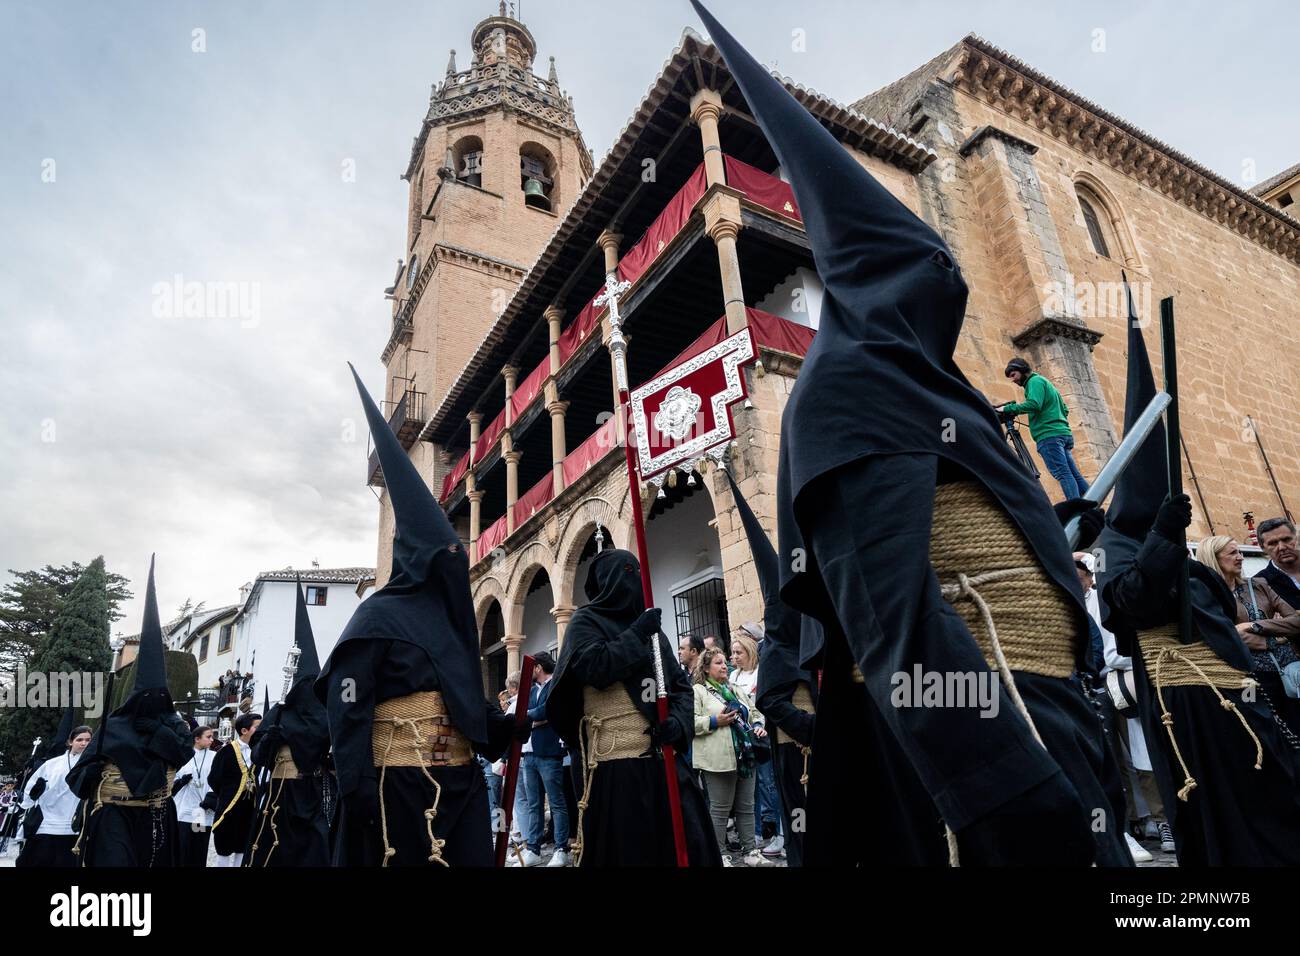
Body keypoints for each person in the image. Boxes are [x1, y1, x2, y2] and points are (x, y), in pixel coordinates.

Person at [692, 0, 1126, 866]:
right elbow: (888, 605)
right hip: (995, 724)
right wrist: (998, 769)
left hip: (1053, 701)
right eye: (929, 267)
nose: (950, 281)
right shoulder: (847, 389)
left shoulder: (936, 385)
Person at [1094, 287, 1300, 866]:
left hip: (1230, 694)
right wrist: (1160, 537)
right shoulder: (1117, 544)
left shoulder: (1179, 553)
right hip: (1182, 703)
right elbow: (1128, 603)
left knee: (1270, 798)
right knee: (1219, 819)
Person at [316, 367, 523, 867]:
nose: (453, 562)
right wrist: (358, 783)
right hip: (395, 789)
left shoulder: (454, 627)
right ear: (416, 559)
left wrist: (505, 727)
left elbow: (464, 700)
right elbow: (348, 706)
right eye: (442, 555)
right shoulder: (375, 619)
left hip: (462, 787)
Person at [547, 549, 720, 866]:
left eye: (638, 570)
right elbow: (596, 667)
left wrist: (679, 724)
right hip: (614, 769)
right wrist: (638, 633)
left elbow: (680, 688)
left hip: (663, 763)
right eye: (627, 570)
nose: (635, 578)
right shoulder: (585, 622)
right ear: (607, 580)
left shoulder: (655, 632)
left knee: (688, 844)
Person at [68, 558, 193, 867]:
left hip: (156, 813)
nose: (153, 701)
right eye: (146, 696)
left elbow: (182, 754)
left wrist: (157, 731)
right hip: (113, 813)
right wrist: (92, 773)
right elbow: (78, 775)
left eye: (159, 696)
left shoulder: (173, 725)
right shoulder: (114, 725)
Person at [247, 583, 334, 867]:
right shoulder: (278, 713)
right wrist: (270, 738)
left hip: (315, 792)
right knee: (274, 849)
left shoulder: (326, 713)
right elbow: (258, 757)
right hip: (279, 793)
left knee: (314, 850)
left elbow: (333, 748)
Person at [1196, 535, 1300, 737]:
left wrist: (1253, 625)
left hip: (1290, 670)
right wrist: (1278, 634)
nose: (1240, 557)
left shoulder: (1259, 585)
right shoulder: (1206, 596)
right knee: (1260, 725)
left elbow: (1296, 621)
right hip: (1245, 678)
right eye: (1233, 553)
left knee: (1297, 722)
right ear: (1213, 558)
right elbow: (1227, 639)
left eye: (1240, 552)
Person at [693, 647, 768, 866]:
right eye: (718, 663)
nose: (725, 666)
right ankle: (720, 855)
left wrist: (757, 725)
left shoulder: (735, 689)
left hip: (745, 756)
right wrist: (715, 721)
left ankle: (751, 852)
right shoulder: (698, 691)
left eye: (725, 662)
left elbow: (755, 712)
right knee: (719, 809)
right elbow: (690, 722)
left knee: (746, 807)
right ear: (706, 668)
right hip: (717, 760)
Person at [1001, 359, 1090, 500]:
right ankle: (1092, 505)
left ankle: (1075, 512)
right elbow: (1065, 409)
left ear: (1022, 370)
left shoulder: (1034, 382)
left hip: (1049, 437)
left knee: (1063, 474)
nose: (1013, 380)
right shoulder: (1044, 382)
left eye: (1013, 375)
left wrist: (1007, 409)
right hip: (1062, 434)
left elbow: (1034, 404)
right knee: (1073, 474)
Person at [729, 630, 782, 857]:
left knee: (769, 784)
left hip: (764, 734)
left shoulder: (761, 673)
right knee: (752, 789)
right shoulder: (733, 678)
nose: (734, 657)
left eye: (738, 652)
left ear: (750, 652)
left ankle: (781, 833)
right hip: (745, 738)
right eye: (732, 653)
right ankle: (758, 832)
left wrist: (763, 724)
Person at [16, 710, 90, 868]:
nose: (84, 743)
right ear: (70, 742)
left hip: (74, 827)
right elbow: (30, 791)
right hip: (47, 824)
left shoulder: (94, 766)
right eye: (80, 740)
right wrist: (31, 798)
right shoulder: (52, 765)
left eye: (88, 740)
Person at [520, 651, 571, 867]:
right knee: (534, 804)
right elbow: (528, 713)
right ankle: (533, 849)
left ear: (538, 667)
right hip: (529, 753)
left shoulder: (555, 686)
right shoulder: (531, 691)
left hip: (550, 753)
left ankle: (561, 849)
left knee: (557, 803)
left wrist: (532, 716)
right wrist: (535, 717)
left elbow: (548, 711)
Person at [208, 711, 260, 866]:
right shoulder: (226, 751)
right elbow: (214, 779)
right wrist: (227, 793)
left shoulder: (260, 751)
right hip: (230, 806)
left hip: (250, 807)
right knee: (224, 845)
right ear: (244, 730)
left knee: (243, 845)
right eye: (258, 727)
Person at [171, 725, 216, 867]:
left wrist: (211, 797)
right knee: (182, 848)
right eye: (208, 737)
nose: (212, 740)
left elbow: (217, 780)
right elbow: (171, 779)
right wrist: (180, 782)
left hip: (201, 811)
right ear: (197, 739)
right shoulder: (182, 755)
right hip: (183, 810)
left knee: (198, 848)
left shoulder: (214, 757)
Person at [1255, 518, 1300, 608]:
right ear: (1262, 548)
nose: (1281, 547)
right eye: (1273, 543)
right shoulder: (1259, 584)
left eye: (1286, 539)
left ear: (1297, 539)